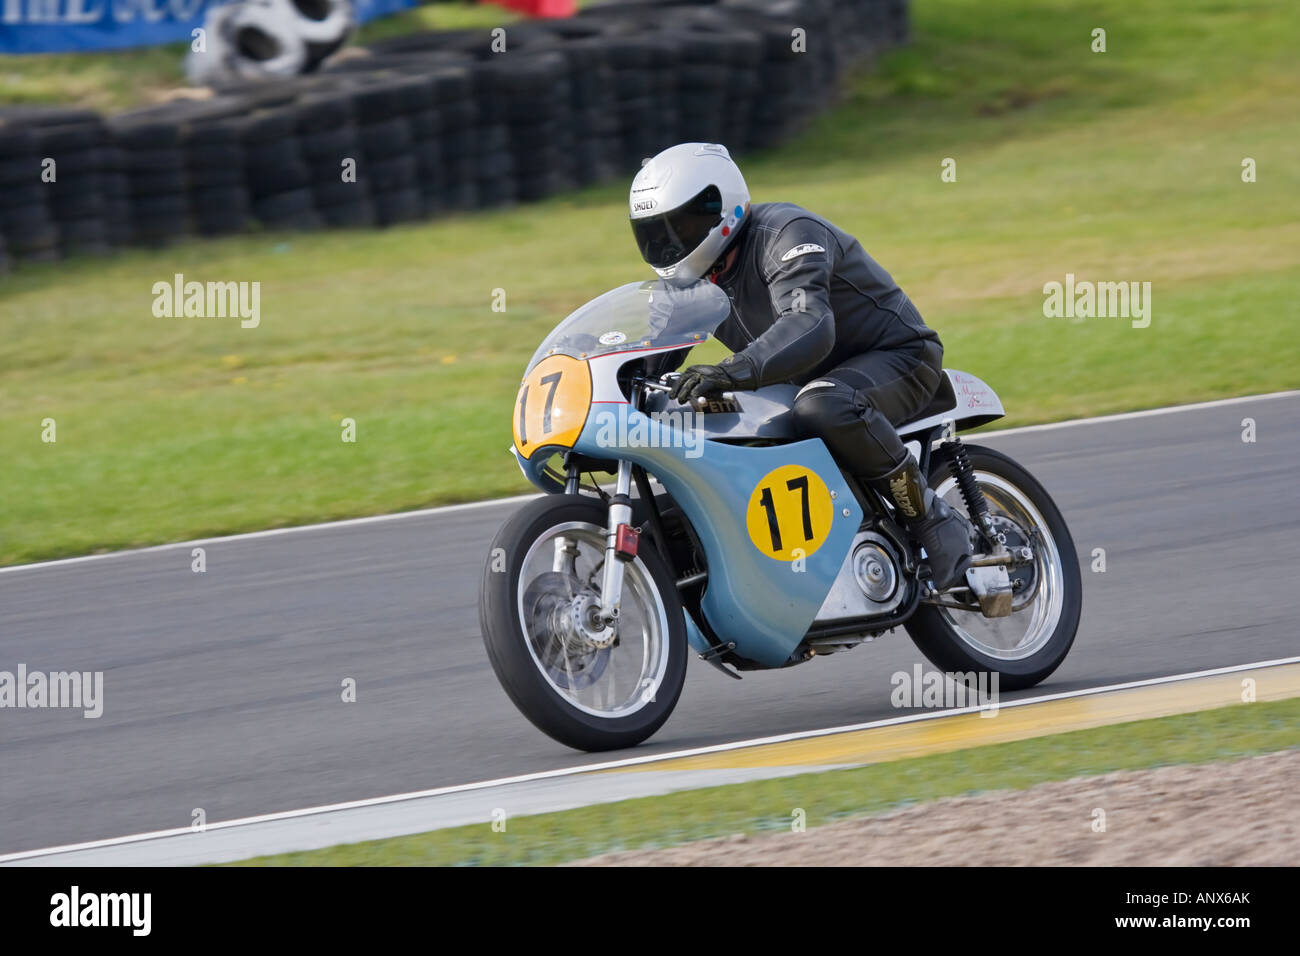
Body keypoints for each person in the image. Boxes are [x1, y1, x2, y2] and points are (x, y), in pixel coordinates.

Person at [628, 142, 974, 589]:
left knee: (823, 405)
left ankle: (932, 518)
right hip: (799, 380)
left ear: (720, 207)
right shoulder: (688, 286)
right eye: (656, 233)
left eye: (682, 225)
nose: (670, 242)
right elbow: (648, 358)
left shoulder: (787, 233)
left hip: (897, 357)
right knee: (712, 425)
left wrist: (729, 371)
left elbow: (810, 324)